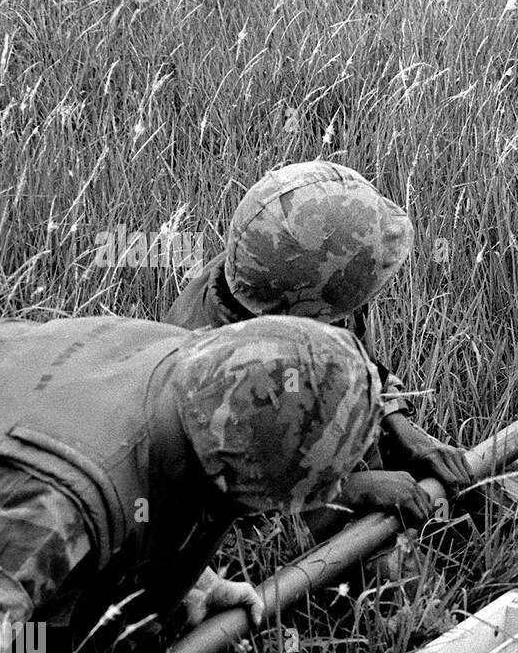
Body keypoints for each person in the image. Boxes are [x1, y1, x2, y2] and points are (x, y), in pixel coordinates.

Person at [0, 314, 434, 653]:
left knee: (118, 638)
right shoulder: (52, 506)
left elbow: (167, 491)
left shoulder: (209, 374)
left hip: (8, 405)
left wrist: (197, 582)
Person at [164, 159, 471, 492]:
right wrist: (354, 490)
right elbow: (241, 520)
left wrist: (403, 430)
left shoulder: (274, 273)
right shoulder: (209, 382)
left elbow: (359, 363)